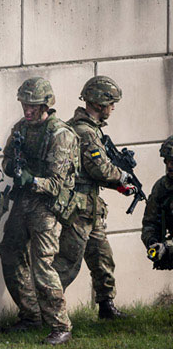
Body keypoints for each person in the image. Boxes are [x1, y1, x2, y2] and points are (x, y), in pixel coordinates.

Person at [0, 78, 80, 345]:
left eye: (32, 105)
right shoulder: (21, 129)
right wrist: (14, 168)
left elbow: (56, 184)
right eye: (24, 104)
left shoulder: (60, 134)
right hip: (24, 201)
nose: (27, 109)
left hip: (46, 205)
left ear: (45, 105)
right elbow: (7, 159)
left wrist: (31, 179)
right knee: (9, 252)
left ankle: (60, 325)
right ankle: (30, 315)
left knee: (43, 264)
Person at [52, 76, 132, 320]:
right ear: (99, 103)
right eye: (111, 103)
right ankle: (46, 313)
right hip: (79, 208)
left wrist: (118, 184)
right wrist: (121, 175)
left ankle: (106, 306)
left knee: (102, 258)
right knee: (67, 263)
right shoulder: (84, 131)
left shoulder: (90, 128)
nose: (113, 108)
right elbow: (99, 169)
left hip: (91, 207)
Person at [140, 136, 173, 268]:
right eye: (167, 161)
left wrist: (167, 246)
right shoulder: (162, 187)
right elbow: (150, 223)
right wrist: (153, 243)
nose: (169, 166)